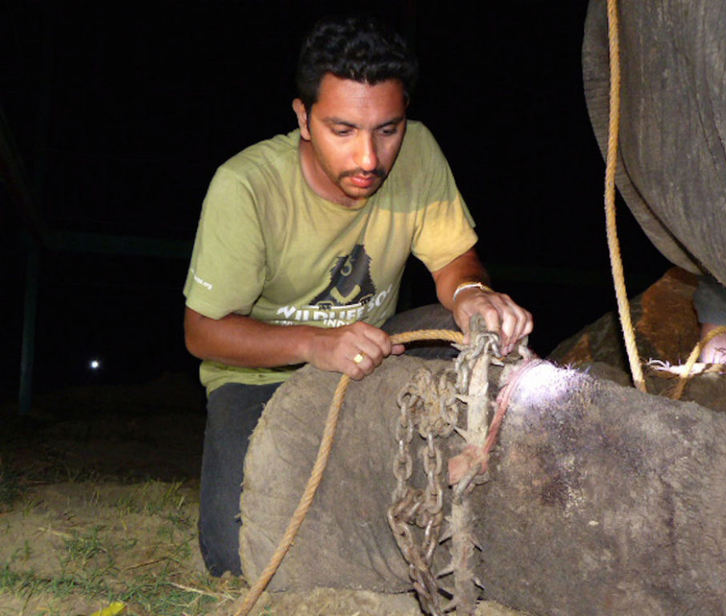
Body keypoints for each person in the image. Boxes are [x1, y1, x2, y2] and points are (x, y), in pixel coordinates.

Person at [182, 15, 532, 576]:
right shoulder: (245, 186)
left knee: (474, 329)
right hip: (257, 374)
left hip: (374, 352)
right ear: (303, 118)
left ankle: (491, 476)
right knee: (234, 553)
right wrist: (317, 345)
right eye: (342, 130)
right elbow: (202, 332)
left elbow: (454, 260)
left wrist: (472, 293)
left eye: (387, 130)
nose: (369, 158)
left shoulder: (419, 152)